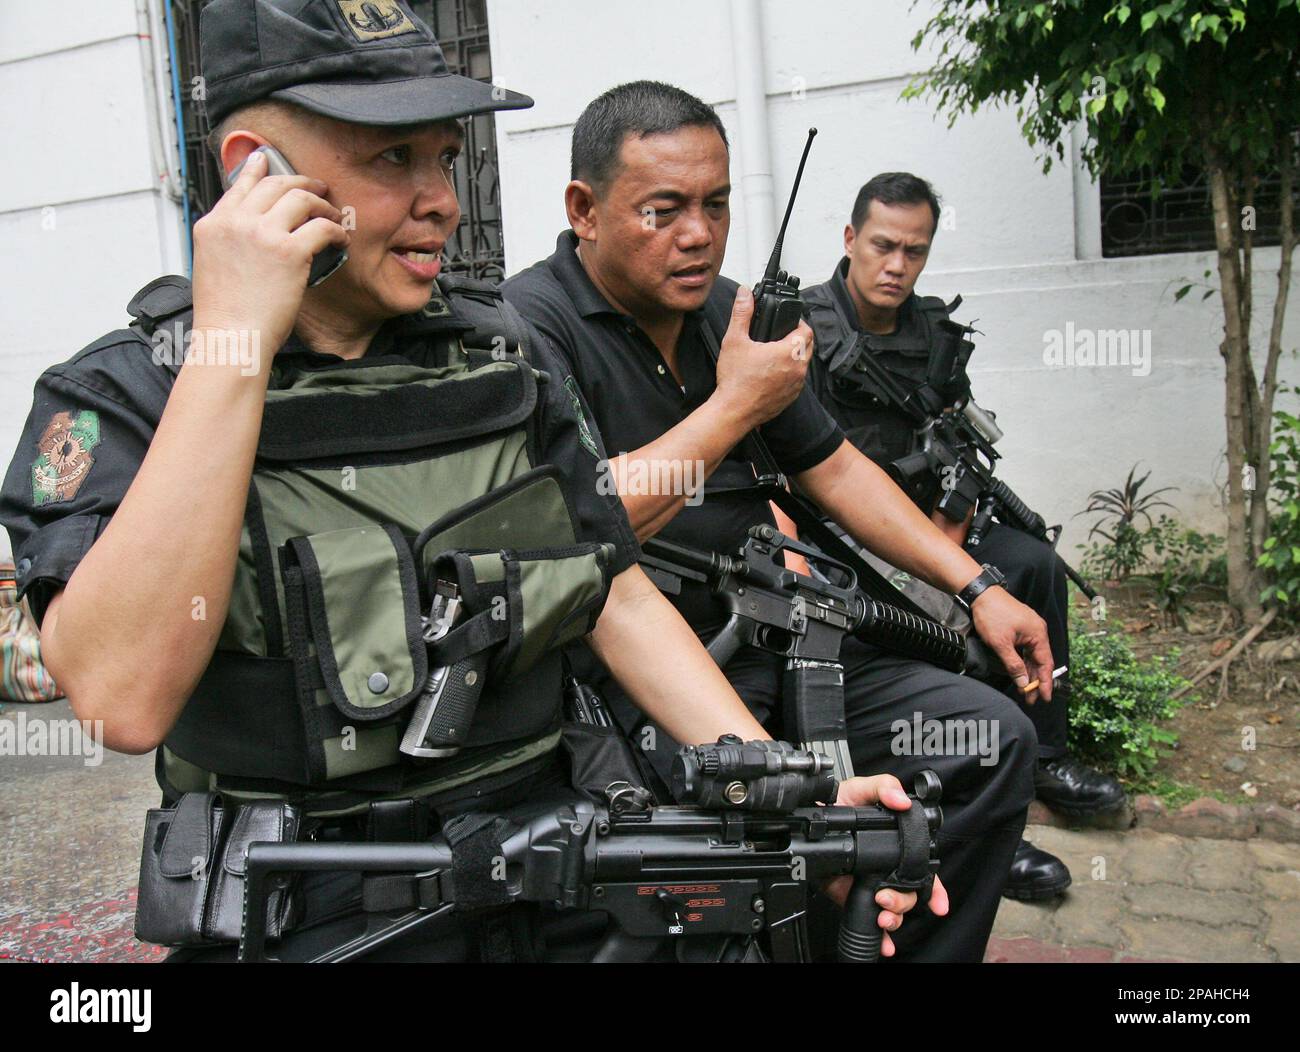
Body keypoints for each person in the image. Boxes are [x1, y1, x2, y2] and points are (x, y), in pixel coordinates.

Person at [0, 1, 931, 961]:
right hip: (314, 915)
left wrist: (784, 781)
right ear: (254, 172)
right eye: (392, 158)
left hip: (547, 869)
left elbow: (610, 584)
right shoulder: (128, 390)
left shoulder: (497, 353)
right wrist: (236, 343)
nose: (441, 197)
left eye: (444, 156)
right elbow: (121, 697)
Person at [502, 80, 1051, 960]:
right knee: (747, 868)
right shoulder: (532, 325)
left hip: (789, 642)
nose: (698, 233)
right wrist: (732, 407)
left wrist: (976, 583)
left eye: (715, 205)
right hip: (640, 681)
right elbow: (586, 526)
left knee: (992, 745)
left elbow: (833, 467)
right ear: (585, 209)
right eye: (663, 209)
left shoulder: (728, 307)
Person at [802, 171, 1128, 900]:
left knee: (1033, 566)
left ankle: (1042, 756)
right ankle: (976, 827)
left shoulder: (934, 334)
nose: (897, 266)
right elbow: (797, 469)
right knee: (942, 619)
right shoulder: (804, 330)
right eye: (883, 245)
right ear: (850, 240)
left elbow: (956, 440)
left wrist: (954, 520)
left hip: (938, 528)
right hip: (843, 547)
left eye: (914, 251)